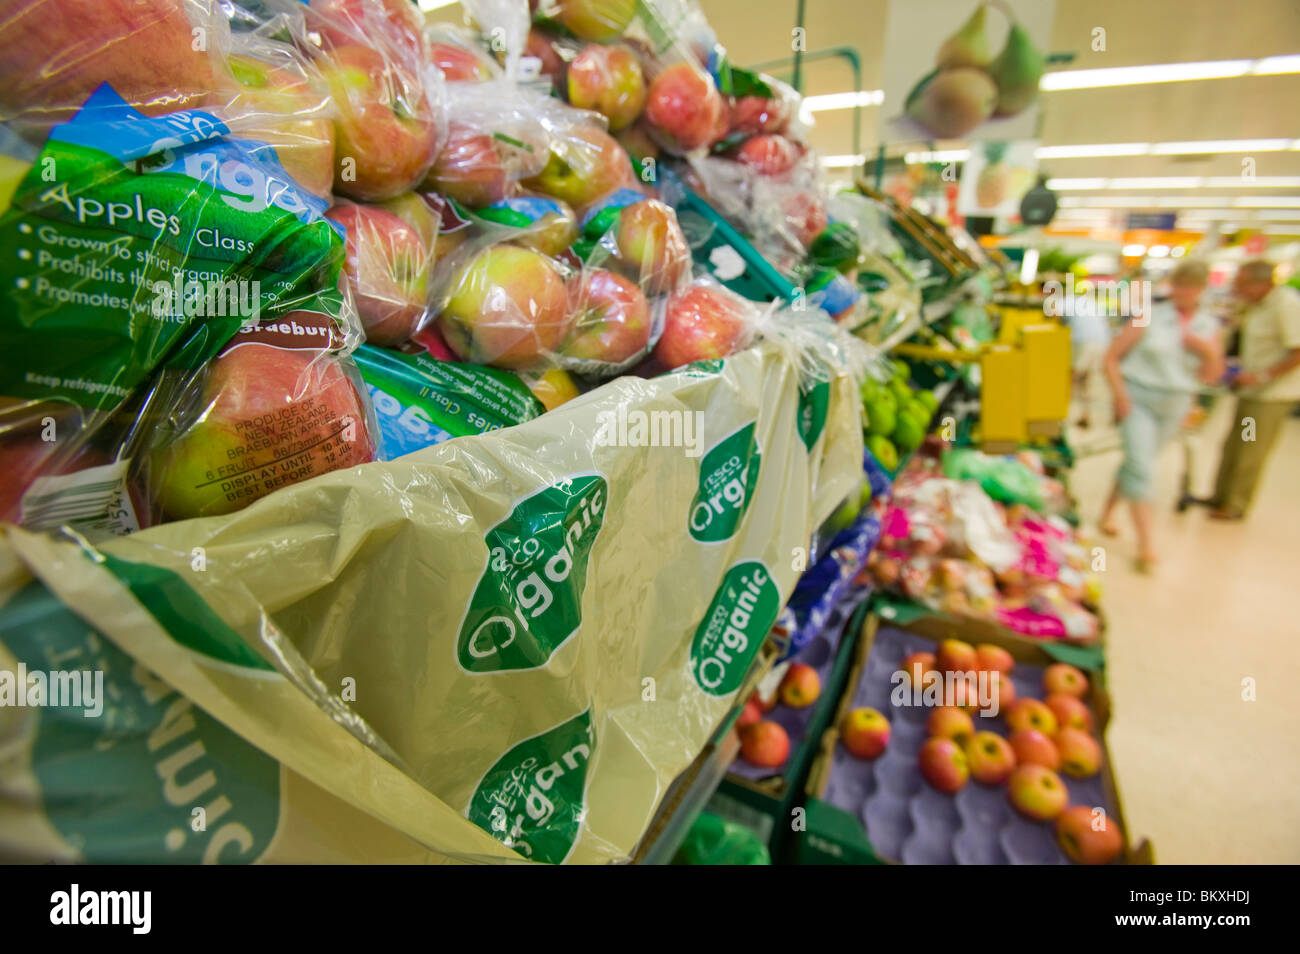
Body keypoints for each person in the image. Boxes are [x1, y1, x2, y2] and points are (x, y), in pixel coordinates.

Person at [1099, 259, 1223, 571]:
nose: (1183, 293)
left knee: (1137, 461)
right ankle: (1146, 546)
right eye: (1179, 286)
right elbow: (1111, 358)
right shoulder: (1148, 316)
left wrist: (1205, 351)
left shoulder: (1209, 325)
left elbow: (1213, 375)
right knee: (1141, 466)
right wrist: (1120, 396)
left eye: (1191, 288)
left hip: (1175, 403)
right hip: (1138, 397)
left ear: (1202, 290)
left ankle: (1107, 512)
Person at [1209, 259, 1300, 519]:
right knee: (1234, 446)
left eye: (1242, 285)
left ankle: (1235, 505)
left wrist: (1261, 376)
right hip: (1249, 392)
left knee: (1250, 449)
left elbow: (1297, 351)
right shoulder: (1255, 306)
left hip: (1269, 396)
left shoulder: (1287, 305)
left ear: (1263, 283)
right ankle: (1220, 497)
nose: (1238, 290)